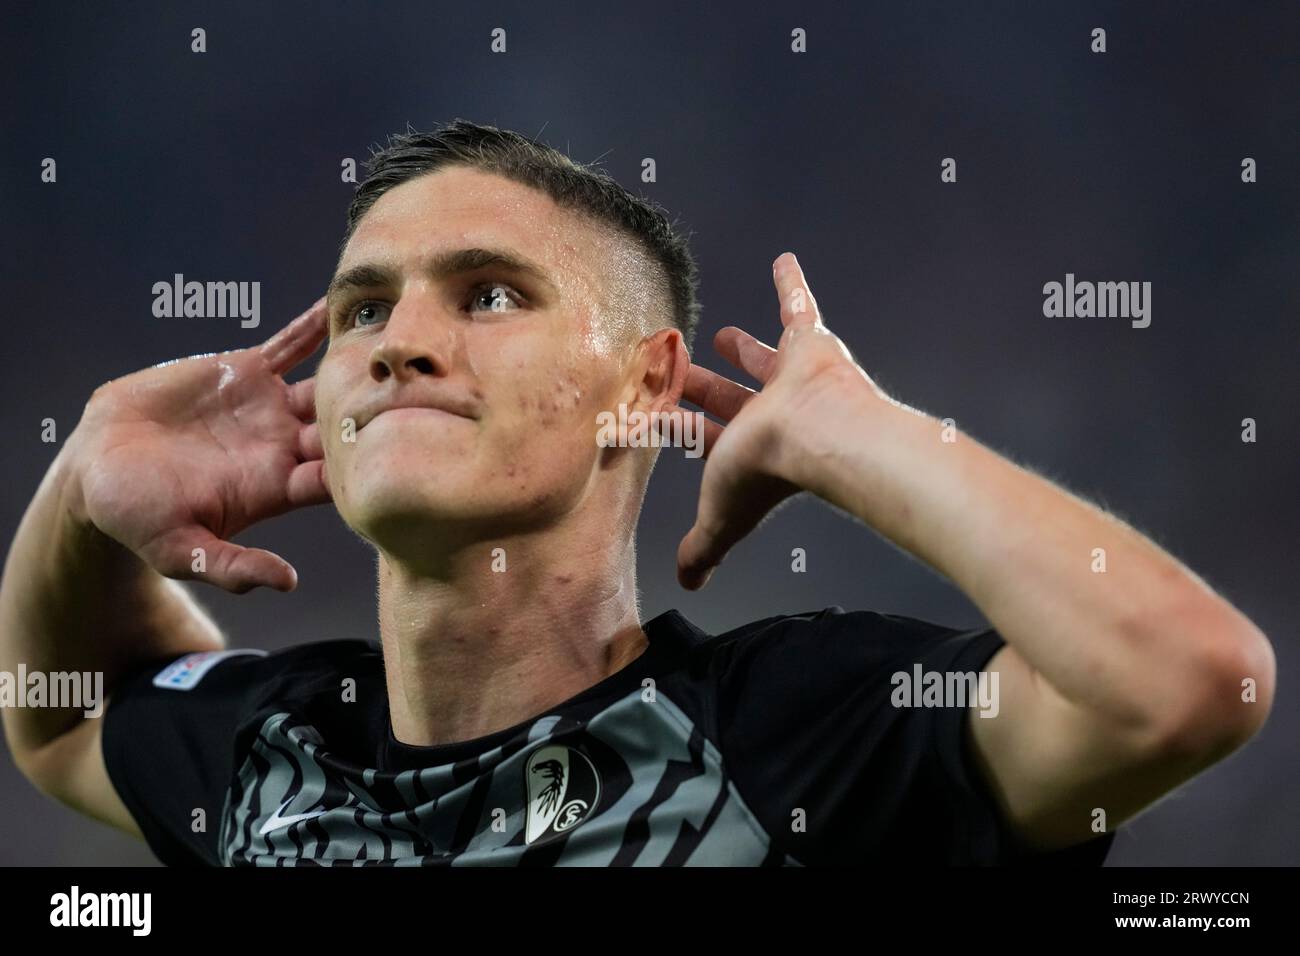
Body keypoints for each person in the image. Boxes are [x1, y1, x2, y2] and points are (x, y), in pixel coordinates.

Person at [0, 120, 1274, 866]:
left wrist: (857, 437)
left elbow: (1185, 681)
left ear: (647, 383)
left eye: (489, 292)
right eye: (363, 307)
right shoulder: (275, 747)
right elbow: (57, 719)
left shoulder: (795, 732)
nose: (396, 341)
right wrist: (77, 492)